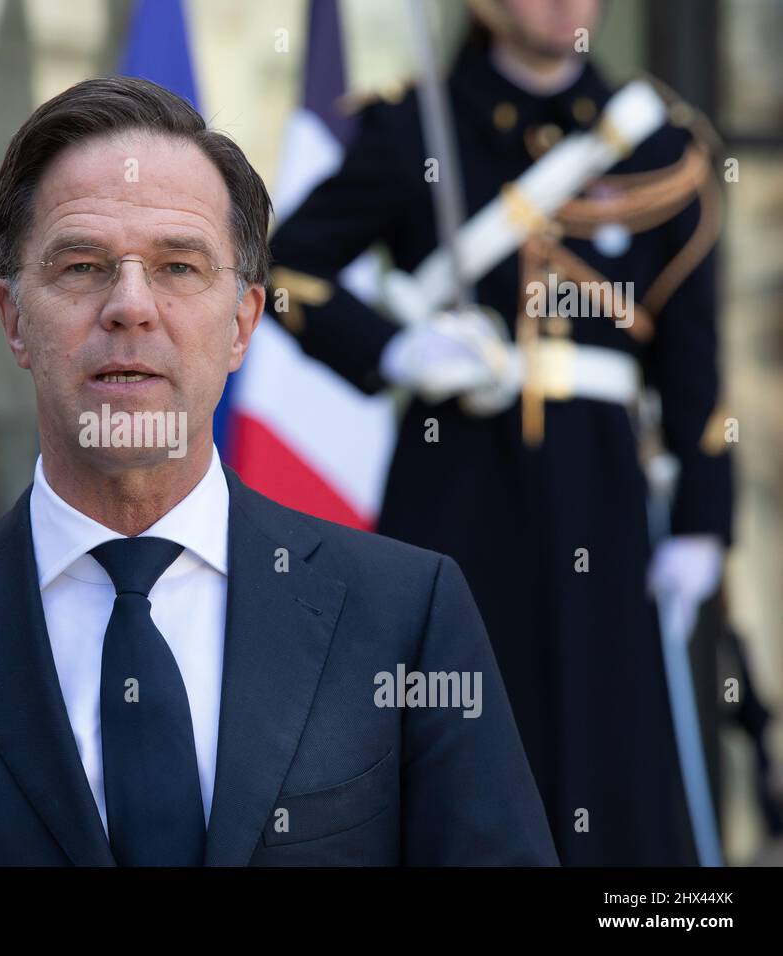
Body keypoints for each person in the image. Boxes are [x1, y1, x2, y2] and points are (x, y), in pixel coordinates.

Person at [0, 75, 558, 867]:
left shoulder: (406, 619)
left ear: (243, 324)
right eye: (83, 266)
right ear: (14, 320)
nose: (131, 306)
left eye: (178, 267)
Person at [267, 0, 732, 865]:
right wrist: (397, 349)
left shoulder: (660, 142)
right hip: (460, 484)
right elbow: (286, 272)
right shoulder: (414, 124)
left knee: (613, 746)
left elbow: (694, 358)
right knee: (459, 724)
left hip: (602, 491)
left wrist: (705, 520)